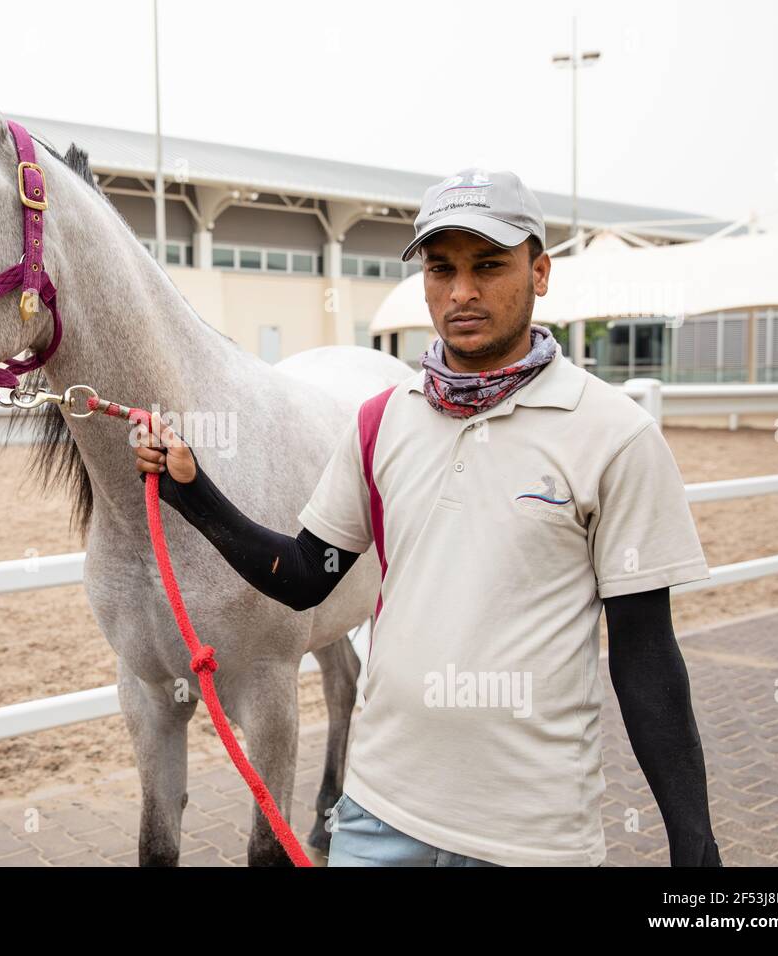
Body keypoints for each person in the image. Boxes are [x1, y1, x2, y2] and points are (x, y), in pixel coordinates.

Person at [129, 168, 723, 867]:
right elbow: (302, 576)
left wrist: (695, 845)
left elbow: (646, 657)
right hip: (376, 820)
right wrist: (192, 491)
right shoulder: (382, 422)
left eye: (489, 266)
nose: (462, 292)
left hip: (531, 838)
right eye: (441, 269)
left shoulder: (613, 435)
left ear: (540, 273)